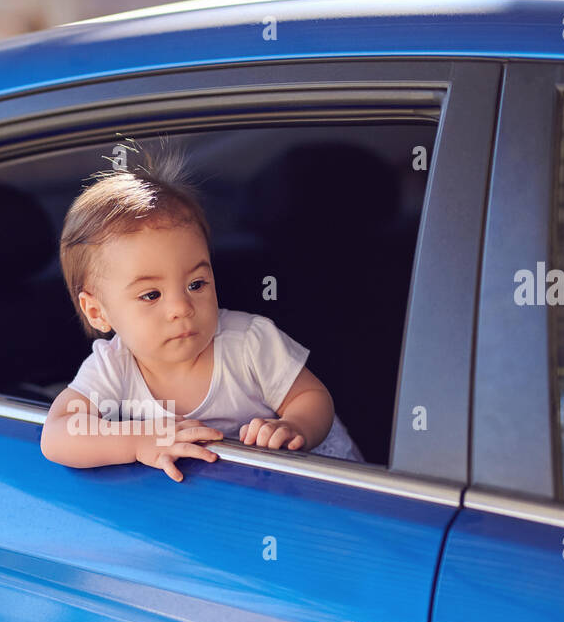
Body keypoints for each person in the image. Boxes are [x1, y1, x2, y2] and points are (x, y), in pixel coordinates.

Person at [40, 141, 362, 482]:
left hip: (316, 488)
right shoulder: (112, 366)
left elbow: (310, 396)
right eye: (151, 295)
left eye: (196, 284)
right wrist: (139, 441)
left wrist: (294, 426)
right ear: (97, 311)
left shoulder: (248, 341)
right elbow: (58, 434)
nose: (181, 308)